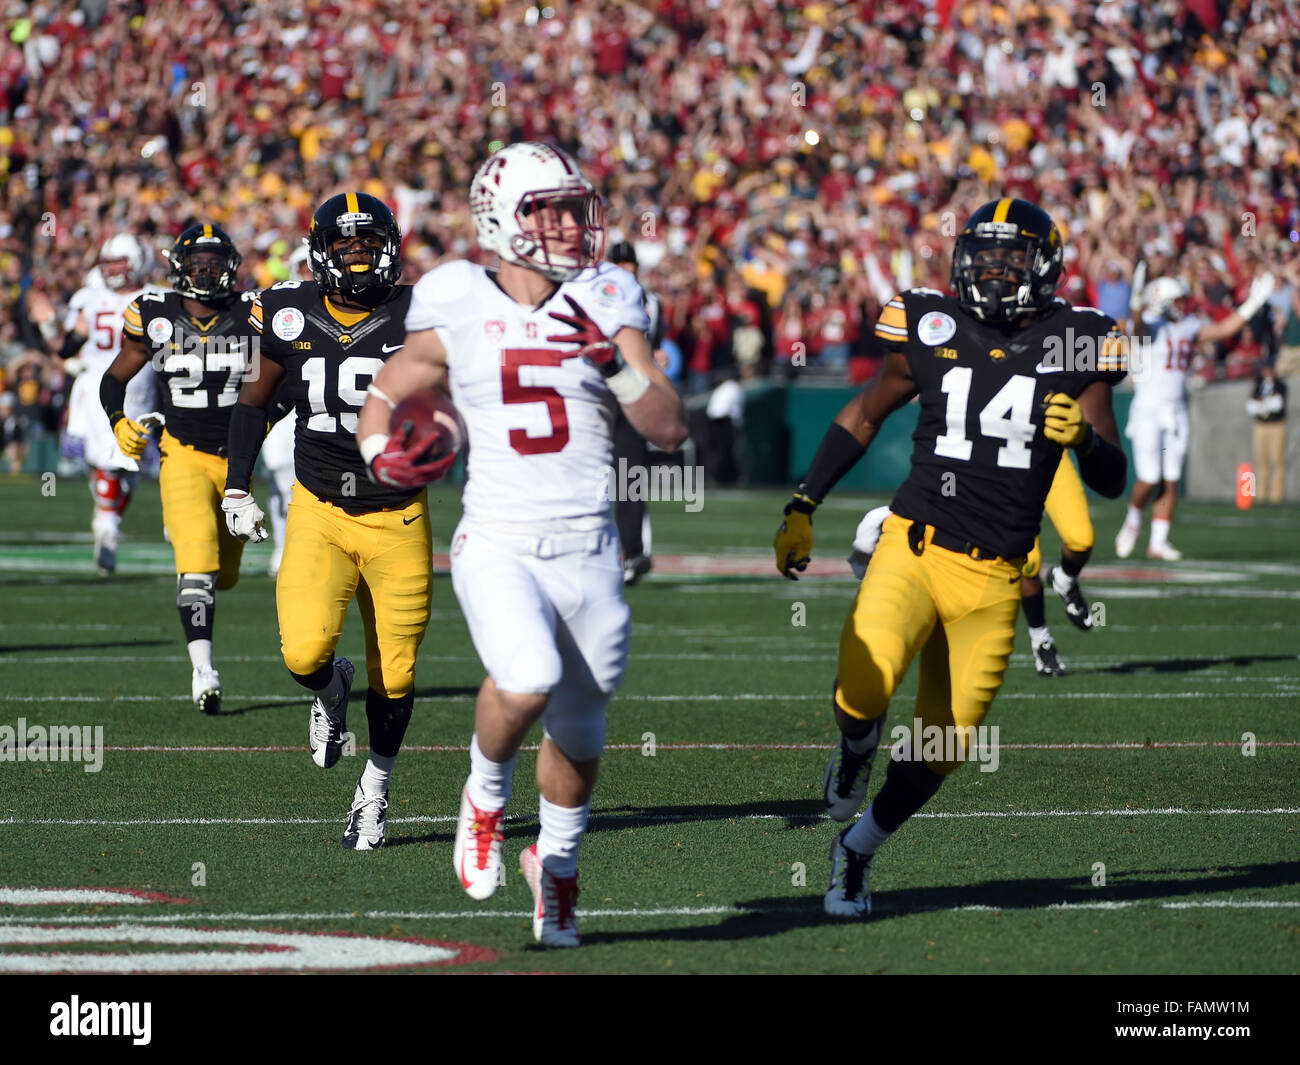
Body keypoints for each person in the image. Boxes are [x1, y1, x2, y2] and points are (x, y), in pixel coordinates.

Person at [355, 142, 686, 947]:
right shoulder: (457, 294)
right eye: (551, 209)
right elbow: (389, 388)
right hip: (497, 538)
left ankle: (558, 869)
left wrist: (615, 362)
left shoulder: (610, 295)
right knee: (528, 675)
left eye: (577, 207)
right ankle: (483, 794)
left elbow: (668, 428)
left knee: (582, 730)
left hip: (589, 547)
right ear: (503, 216)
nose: (572, 224)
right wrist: (379, 453)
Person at [772, 198, 1128, 918]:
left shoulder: (1079, 340)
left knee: (943, 743)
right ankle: (855, 743)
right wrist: (804, 504)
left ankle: (858, 849)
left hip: (997, 577)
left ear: (1044, 267)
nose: (994, 270)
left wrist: (1086, 444)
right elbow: (864, 413)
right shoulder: (930, 324)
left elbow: (1114, 475)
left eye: (1011, 258)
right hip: (915, 546)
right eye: (984, 255)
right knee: (862, 689)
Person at [222, 192, 440, 850]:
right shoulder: (287, 312)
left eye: (369, 244)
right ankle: (329, 688)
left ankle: (374, 786)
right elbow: (255, 400)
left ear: (391, 248)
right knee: (303, 652)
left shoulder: (420, 314)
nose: (359, 256)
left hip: (398, 513)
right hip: (319, 507)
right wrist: (236, 487)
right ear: (320, 252)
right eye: (346, 246)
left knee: (397, 674)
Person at [100, 223, 258, 714]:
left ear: (229, 266)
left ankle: (205, 593)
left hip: (238, 461)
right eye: (197, 263)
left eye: (214, 262)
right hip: (182, 452)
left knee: (227, 576)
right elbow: (114, 376)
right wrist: (116, 420)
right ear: (178, 269)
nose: (207, 271)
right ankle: (203, 669)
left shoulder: (253, 313)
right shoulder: (154, 313)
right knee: (198, 564)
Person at [1115, 272, 1275, 560]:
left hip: (1176, 410)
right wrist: (1137, 299)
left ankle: (1159, 542)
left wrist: (1254, 302)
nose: (1182, 305)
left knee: (1171, 478)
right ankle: (1133, 521)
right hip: (1149, 410)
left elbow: (1225, 329)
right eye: (1176, 300)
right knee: (1150, 478)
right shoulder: (1150, 326)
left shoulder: (1188, 326)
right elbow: (1137, 325)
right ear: (1161, 301)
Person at [58, 234, 158, 575]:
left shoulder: (154, 297)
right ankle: (107, 524)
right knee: (108, 464)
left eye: (121, 262)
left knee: (124, 469)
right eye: (110, 262)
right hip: (107, 384)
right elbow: (68, 348)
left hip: (134, 385)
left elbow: (66, 348)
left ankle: (106, 522)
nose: (113, 269)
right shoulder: (92, 296)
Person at [607, 240, 667, 584]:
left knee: (630, 476)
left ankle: (633, 552)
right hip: (600, 392)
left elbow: (652, 343)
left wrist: (655, 355)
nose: (627, 274)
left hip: (633, 392)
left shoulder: (651, 303)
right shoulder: (593, 294)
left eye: (631, 268)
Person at [260, 244, 312, 577]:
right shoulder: (280, 305)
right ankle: (283, 546)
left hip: (326, 401)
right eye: (301, 266)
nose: (306, 272)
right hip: (284, 403)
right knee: (281, 475)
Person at [1019, 452, 1096, 677]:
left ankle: (1063, 579)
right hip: (1003, 462)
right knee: (1028, 564)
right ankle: (1041, 641)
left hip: (1050, 455)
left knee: (1081, 540)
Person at [1246, 362, 1287, 504]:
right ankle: (1261, 495)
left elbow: (1277, 405)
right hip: (1260, 426)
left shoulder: (1280, 386)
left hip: (1276, 425)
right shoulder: (1258, 386)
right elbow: (1251, 406)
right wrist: (1265, 405)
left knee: (1277, 461)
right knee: (1261, 461)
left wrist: (1262, 405)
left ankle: (1277, 496)